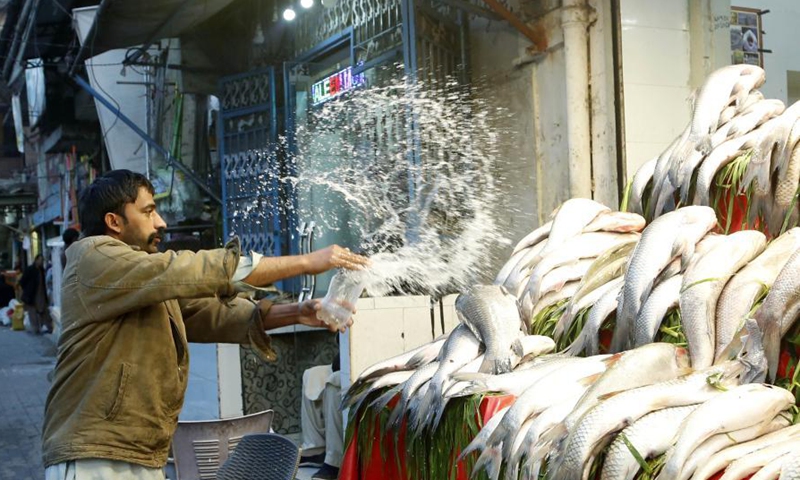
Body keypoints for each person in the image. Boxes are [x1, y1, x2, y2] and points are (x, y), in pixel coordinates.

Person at [41, 169, 370, 480]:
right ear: (114, 221)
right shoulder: (93, 256)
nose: (161, 222)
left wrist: (299, 312)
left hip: (137, 452)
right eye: (148, 211)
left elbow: (212, 314)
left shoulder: (142, 278)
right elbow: (189, 270)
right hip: (95, 454)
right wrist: (306, 262)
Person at [300, 350, 344, 480]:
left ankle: (334, 462)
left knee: (335, 379)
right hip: (346, 362)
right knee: (312, 374)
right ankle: (315, 449)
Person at [20, 253, 52, 334]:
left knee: (44, 310)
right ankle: (36, 328)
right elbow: (22, 281)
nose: (41, 262)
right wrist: (28, 290)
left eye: (42, 260)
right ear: (36, 260)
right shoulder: (30, 269)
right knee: (33, 312)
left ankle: (48, 327)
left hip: (40, 293)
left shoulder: (41, 270)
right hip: (32, 295)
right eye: (40, 260)